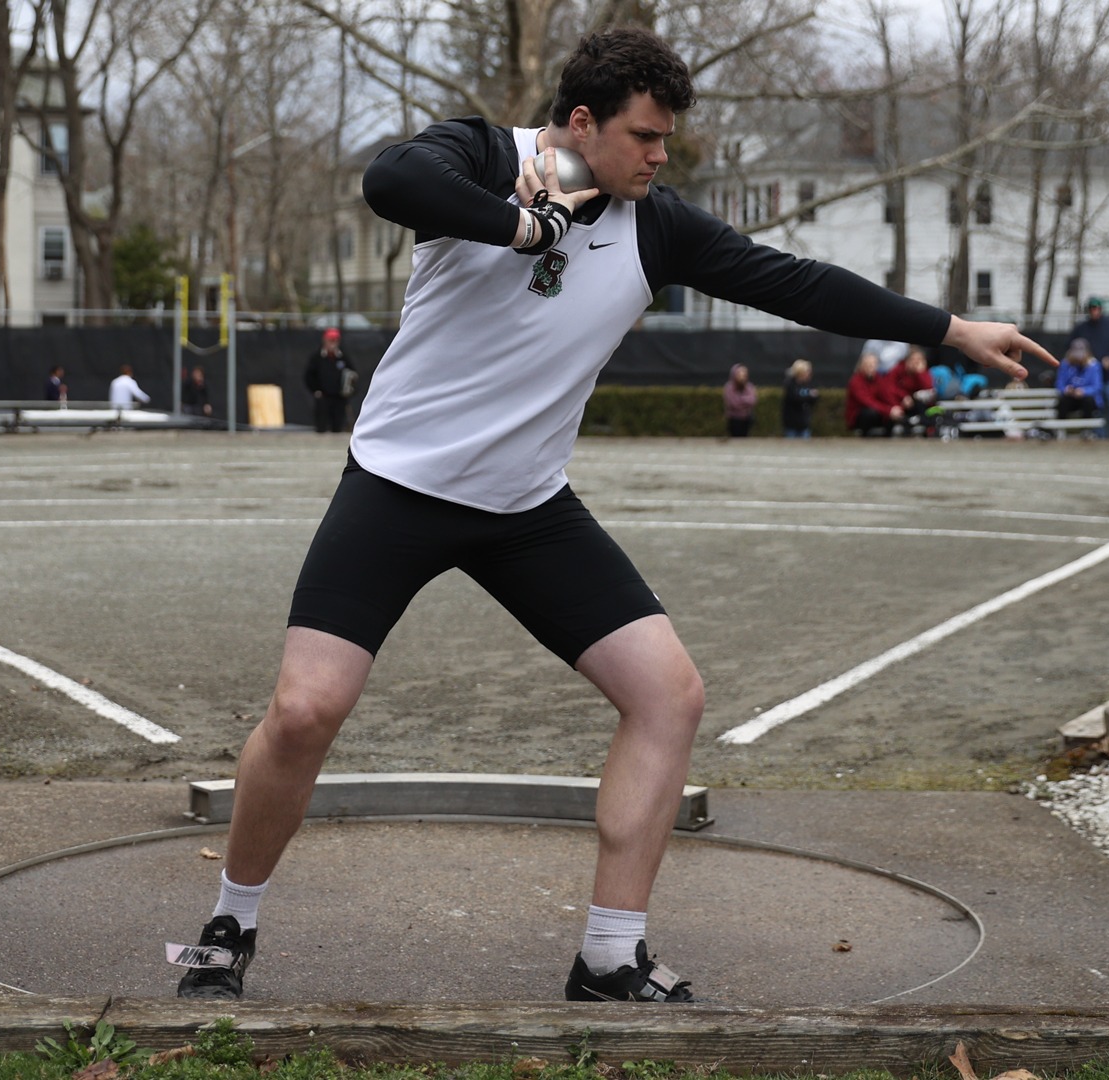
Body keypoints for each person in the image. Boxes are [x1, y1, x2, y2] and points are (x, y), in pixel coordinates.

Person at [166, 25, 1051, 1006]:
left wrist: (949, 326)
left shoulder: (655, 224)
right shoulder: (480, 154)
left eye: (666, 137)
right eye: (643, 135)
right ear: (581, 123)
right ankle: (226, 930)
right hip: (397, 490)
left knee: (669, 694)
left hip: (527, 508)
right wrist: (525, 227)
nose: (659, 155)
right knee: (304, 711)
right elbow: (389, 183)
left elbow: (793, 281)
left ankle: (609, 955)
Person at [1069, 298, 1109, 438]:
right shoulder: (1081, 328)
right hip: (1090, 377)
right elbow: (1070, 347)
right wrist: (1081, 360)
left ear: (1101, 309)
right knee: (1096, 408)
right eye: (1091, 308)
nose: (1094, 311)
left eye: (1096, 308)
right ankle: (1099, 438)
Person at [304, 328, 354, 433]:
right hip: (323, 398)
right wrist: (316, 391)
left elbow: (352, 374)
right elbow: (309, 376)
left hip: (339, 398)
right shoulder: (317, 357)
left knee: (338, 427)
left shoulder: (343, 358)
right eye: (330, 340)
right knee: (321, 427)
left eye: (335, 340)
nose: (333, 343)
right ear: (325, 340)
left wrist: (348, 391)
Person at [1054, 338, 1103, 423]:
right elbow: (1059, 383)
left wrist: (1083, 391)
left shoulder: (1093, 365)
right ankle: (1060, 429)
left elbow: (1097, 386)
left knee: (1089, 401)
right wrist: (1066, 389)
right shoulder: (1066, 364)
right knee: (1063, 401)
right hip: (1071, 398)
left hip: (1086, 399)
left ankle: (1087, 430)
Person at [844, 353, 884, 436]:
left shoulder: (879, 379)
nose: (871, 368)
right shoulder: (855, 381)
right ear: (862, 366)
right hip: (859, 416)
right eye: (868, 365)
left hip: (878, 411)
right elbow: (867, 401)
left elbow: (886, 394)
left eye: (873, 365)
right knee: (870, 413)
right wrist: (888, 410)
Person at [781, 358, 818, 439]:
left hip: (804, 424)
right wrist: (809, 396)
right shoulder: (790, 384)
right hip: (791, 424)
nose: (809, 374)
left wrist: (811, 396)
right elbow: (795, 398)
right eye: (807, 372)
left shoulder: (808, 384)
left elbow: (814, 398)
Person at [721, 364, 757, 437]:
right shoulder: (729, 387)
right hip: (734, 420)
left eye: (744, 374)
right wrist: (745, 400)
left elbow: (753, 400)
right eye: (740, 374)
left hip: (747, 419)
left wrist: (741, 399)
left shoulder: (749, 386)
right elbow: (734, 403)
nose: (742, 377)